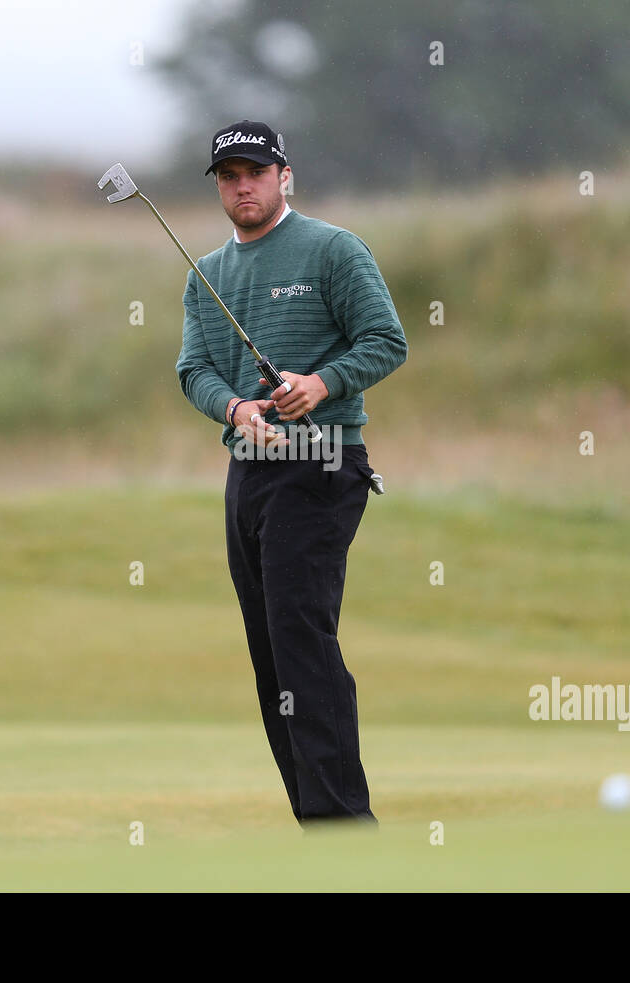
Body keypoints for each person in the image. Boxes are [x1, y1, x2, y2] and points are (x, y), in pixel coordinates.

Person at [175, 119, 407, 825]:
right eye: (228, 176)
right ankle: (317, 818)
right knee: (271, 652)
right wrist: (236, 405)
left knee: (301, 637)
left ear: (284, 176)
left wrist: (323, 383)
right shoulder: (207, 274)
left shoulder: (333, 250)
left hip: (323, 459)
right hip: (248, 470)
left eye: (255, 172)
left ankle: (345, 825)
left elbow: (385, 340)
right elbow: (194, 370)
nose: (242, 185)